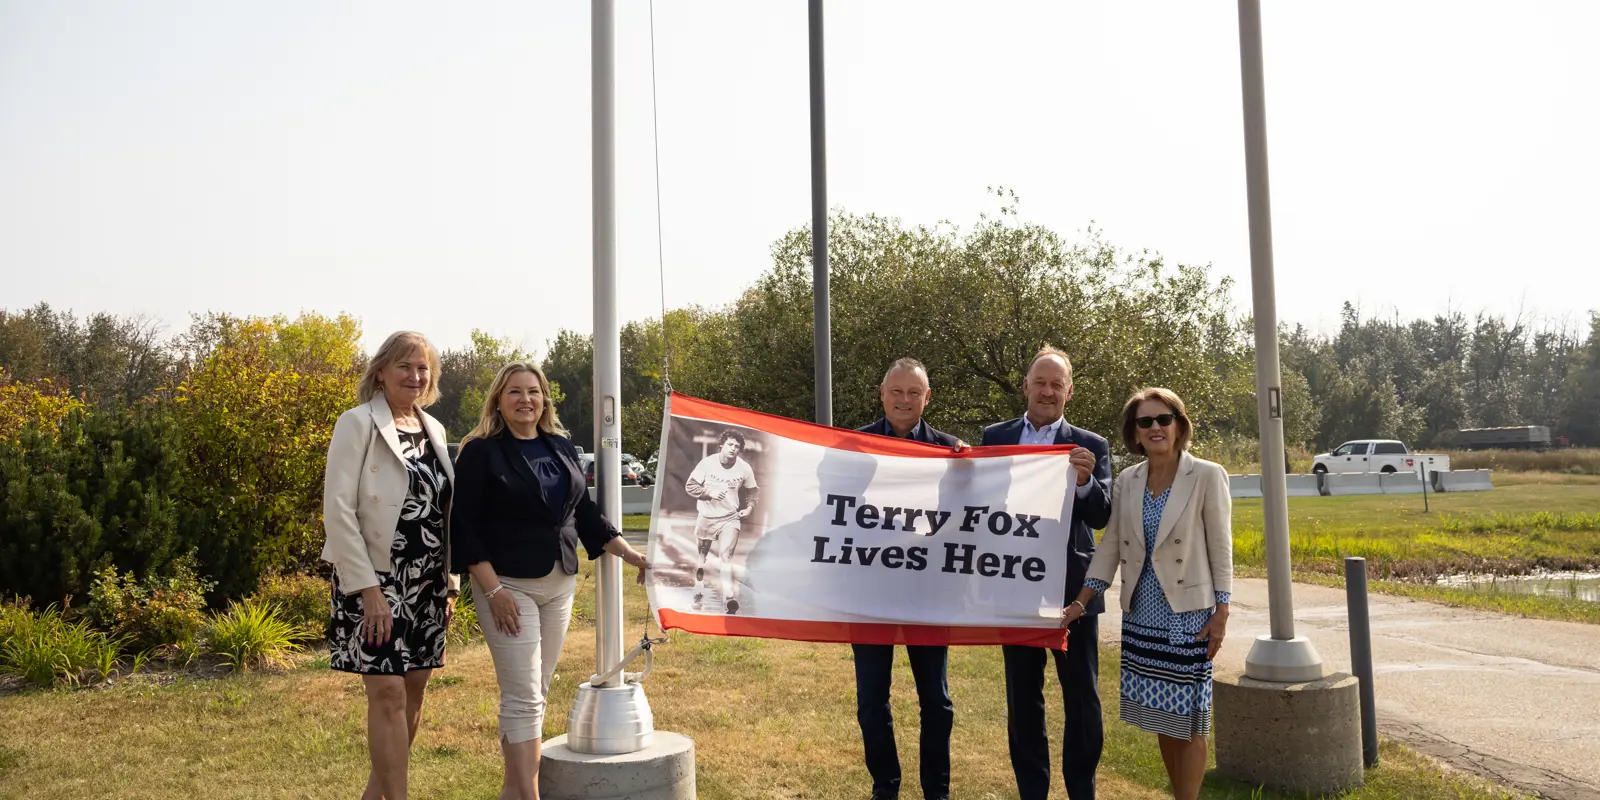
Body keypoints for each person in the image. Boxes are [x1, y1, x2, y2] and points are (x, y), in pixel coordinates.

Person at [450, 361, 649, 800]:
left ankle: (513, 791)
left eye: (533, 392)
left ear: (544, 400)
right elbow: (464, 527)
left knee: (536, 692)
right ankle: (529, 794)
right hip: (507, 585)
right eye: (515, 392)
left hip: (559, 582)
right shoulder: (481, 452)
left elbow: (585, 514)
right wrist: (494, 590)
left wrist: (632, 554)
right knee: (522, 695)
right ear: (498, 401)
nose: (526, 400)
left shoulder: (560, 446)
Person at [1065, 388, 1232, 800]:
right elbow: (1110, 547)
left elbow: (1221, 547)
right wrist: (1081, 601)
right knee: (1163, 717)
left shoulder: (1207, 475)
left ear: (1179, 426)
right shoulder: (1128, 480)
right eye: (1145, 422)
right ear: (1135, 433)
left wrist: (1222, 612)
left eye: (1163, 419)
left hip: (1188, 616)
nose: (1155, 428)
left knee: (1189, 721)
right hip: (1142, 615)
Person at [322, 330, 459, 800]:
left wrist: (450, 585)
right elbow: (338, 510)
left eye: (423, 368)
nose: (415, 376)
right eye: (405, 366)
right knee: (388, 694)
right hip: (374, 581)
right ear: (380, 370)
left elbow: (447, 513)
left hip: (426, 584)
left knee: (414, 695)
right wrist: (368, 590)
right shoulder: (356, 423)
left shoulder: (435, 429)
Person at [981, 346, 1112, 800]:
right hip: (1014, 585)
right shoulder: (994, 437)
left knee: (1082, 699)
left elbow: (1100, 517)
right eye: (1041, 381)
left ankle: (1081, 789)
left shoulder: (1091, 447)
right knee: (1023, 698)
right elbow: (974, 502)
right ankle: (1032, 790)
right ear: (1026, 386)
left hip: (1073, 593)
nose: (1048, 391)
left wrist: (1084, 482)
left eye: (1057, 384)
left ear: (1069, 391)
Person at [853, 357, 958, 800]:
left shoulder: (954, 451)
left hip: (927, 594)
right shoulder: (850, 447)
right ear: (881, 393)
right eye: (896, 391)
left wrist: (975, 469)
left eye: (914, 392)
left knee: (936, 700)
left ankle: (937, 790)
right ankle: (886, 786)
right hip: (870, 593)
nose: (904, 400)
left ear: (927, 397)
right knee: (871, 702)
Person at [686, 428, 759, 614]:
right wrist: (709, 493)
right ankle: (698, 590)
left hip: (730, 518)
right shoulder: (707, 464)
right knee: (702, 557)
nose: (733, 448)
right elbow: (690, 486)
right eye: (730, 444)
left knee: (726, 557)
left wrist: (749, 508)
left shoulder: (744, 468)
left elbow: (753, 491)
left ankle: (729, 598)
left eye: (737, 446)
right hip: (706, 518)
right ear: (722, 445)